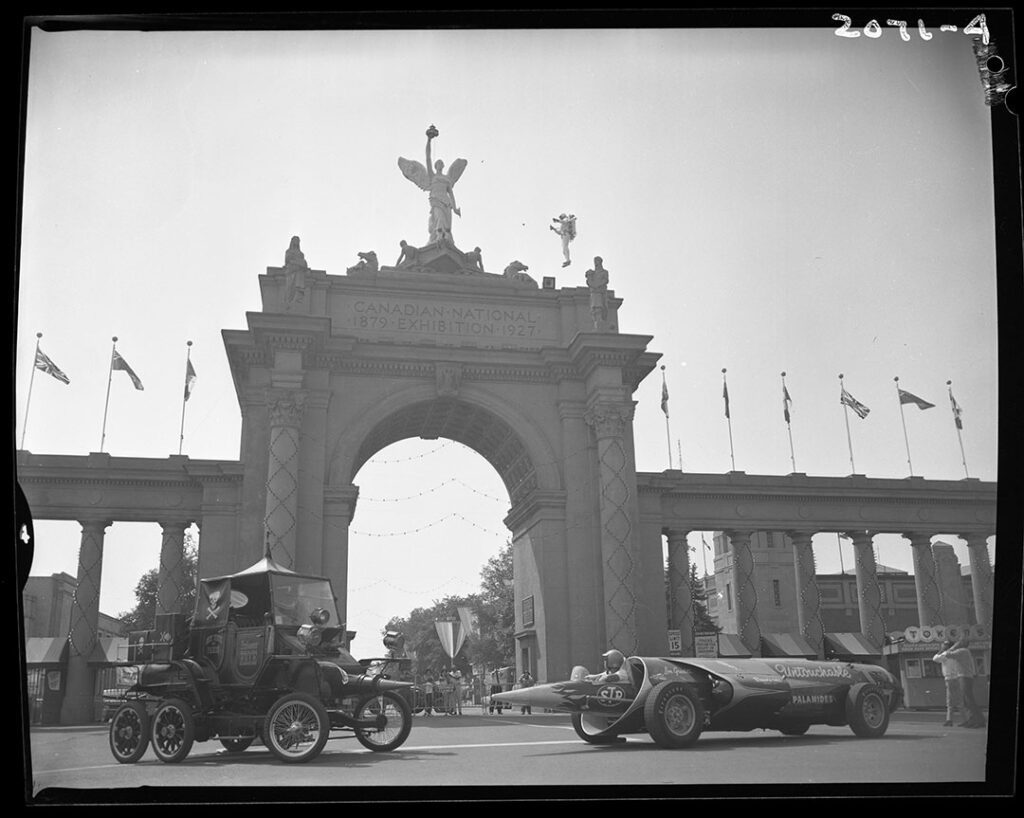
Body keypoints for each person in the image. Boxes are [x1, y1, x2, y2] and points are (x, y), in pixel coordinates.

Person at [933, 638, 986, 728]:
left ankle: (978, 720)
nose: (958, 643)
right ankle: (972, 720)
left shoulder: (962, 651)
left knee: (967, 700)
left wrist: (951, 647)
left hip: (963, 677)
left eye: (960, 643)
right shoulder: (962, 651)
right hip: (961, 676)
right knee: (965, 700)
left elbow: (946, 654)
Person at [932, 639, 964, 726]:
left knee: (950, 701)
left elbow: (935, 658)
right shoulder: (957, 653)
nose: (943, 646)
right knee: (959, 700)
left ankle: (950, 720)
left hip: (950, 679)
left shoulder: (946, 654)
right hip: (958, 678)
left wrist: (941, 650)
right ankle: (964, 719)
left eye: (944, 645)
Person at [585, 257, 609, 330]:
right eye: (595, 261)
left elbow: (605, 280)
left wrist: (597, 285)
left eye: (597, 261)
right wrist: (589, 277)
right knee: (594, 307)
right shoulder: (592, 273)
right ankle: (596, 320)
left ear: (600, 262)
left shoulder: (604, 272)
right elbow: (589, 282)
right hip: (594, 292)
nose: (596, 263)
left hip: (600, 292)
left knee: (601, 306)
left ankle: (601, 320)